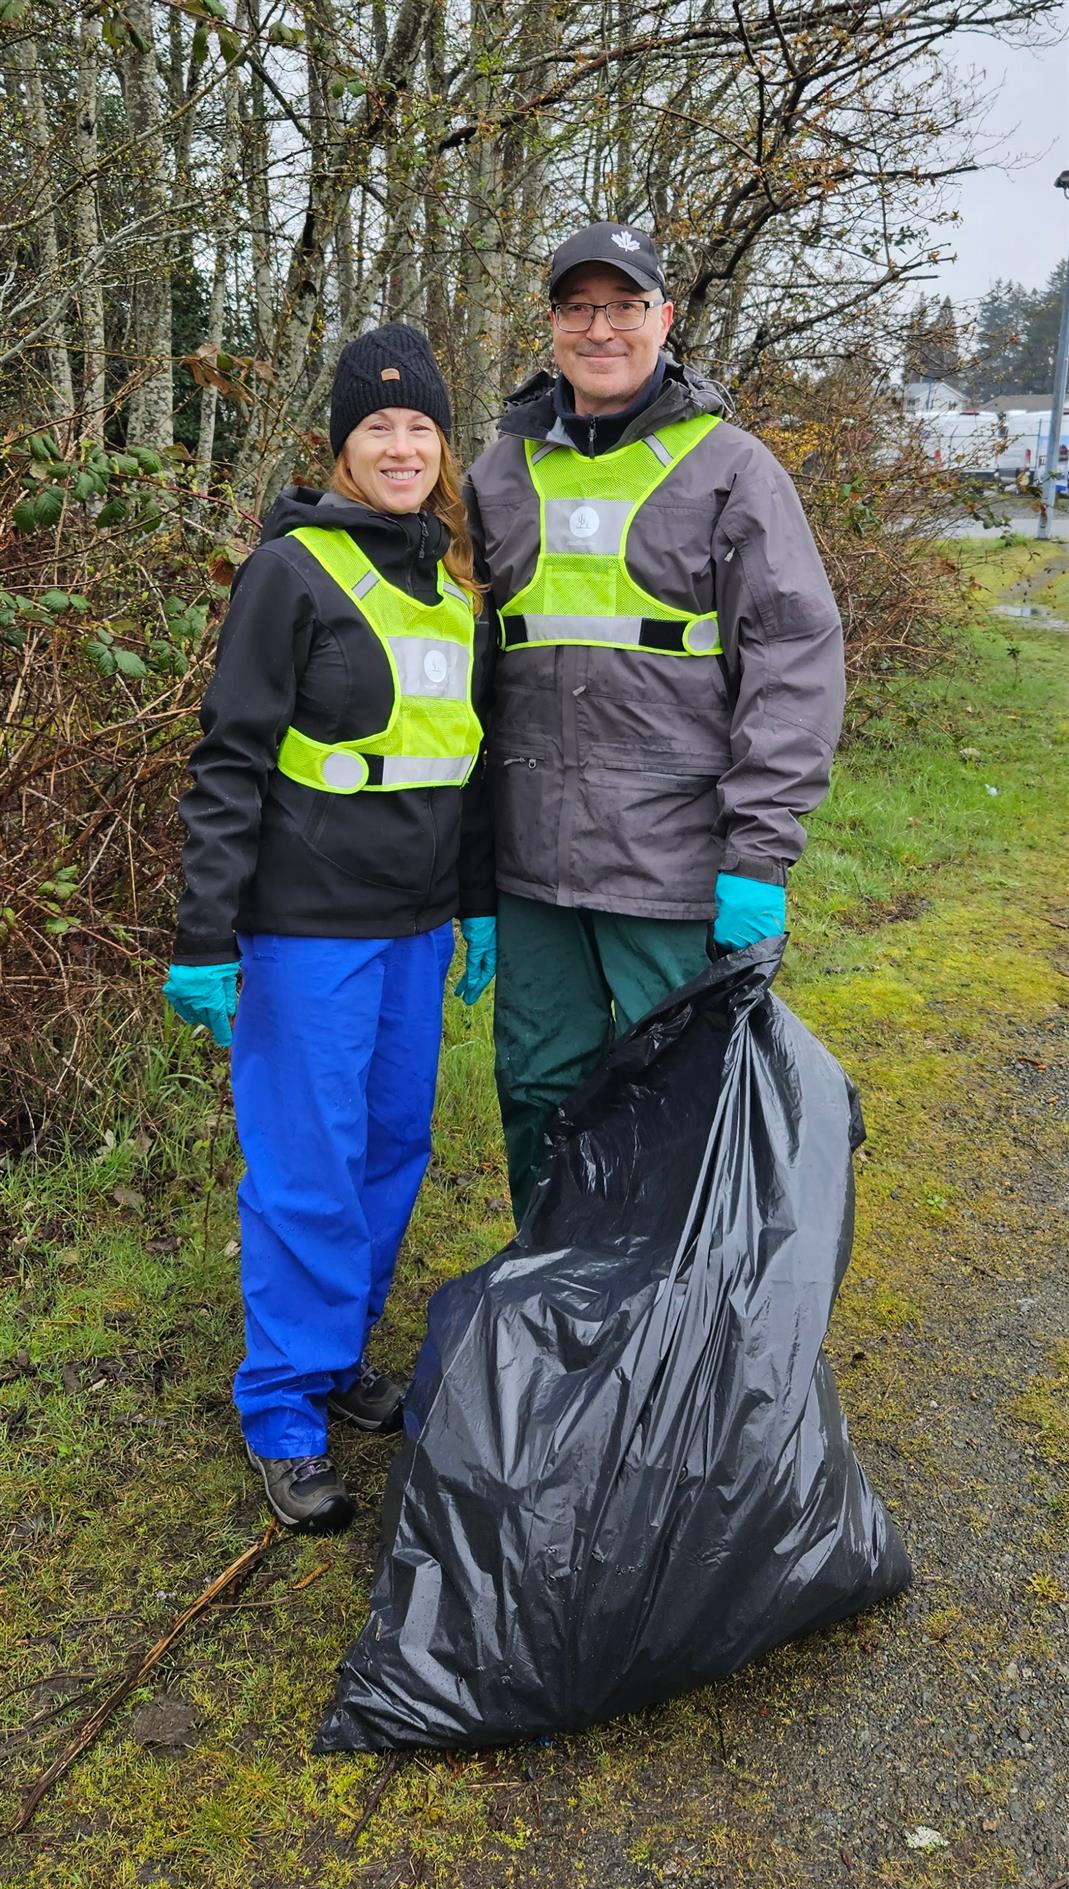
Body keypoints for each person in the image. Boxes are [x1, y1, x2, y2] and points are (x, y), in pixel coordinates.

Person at [162, 325, 496, 1536]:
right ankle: (285, 1407)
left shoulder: (458, 578)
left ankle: (342, 1350)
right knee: (309, 1170)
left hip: (416, 927)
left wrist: (481, 907)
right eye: (377, 427)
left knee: (390, 1148)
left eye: (419, 427)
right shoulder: (289, 572)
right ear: (341, 446)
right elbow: (229, 761)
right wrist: (205, 935)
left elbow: (465, 762)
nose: (401, 445)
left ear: (443, 445)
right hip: (304, 927)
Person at [465, 222, 845, 1221]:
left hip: (671, 864)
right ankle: (548, 1303)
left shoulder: (731, 469)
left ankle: (672, 1321)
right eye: (579, 308)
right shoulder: (500, 472)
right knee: (539, 1090)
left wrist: (757, 859)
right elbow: (448, 655)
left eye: (624, 307)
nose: (602, 328)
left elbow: (793, 664)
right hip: (531, 864)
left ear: (663, 321)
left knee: (680, 1099)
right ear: (551, 327)